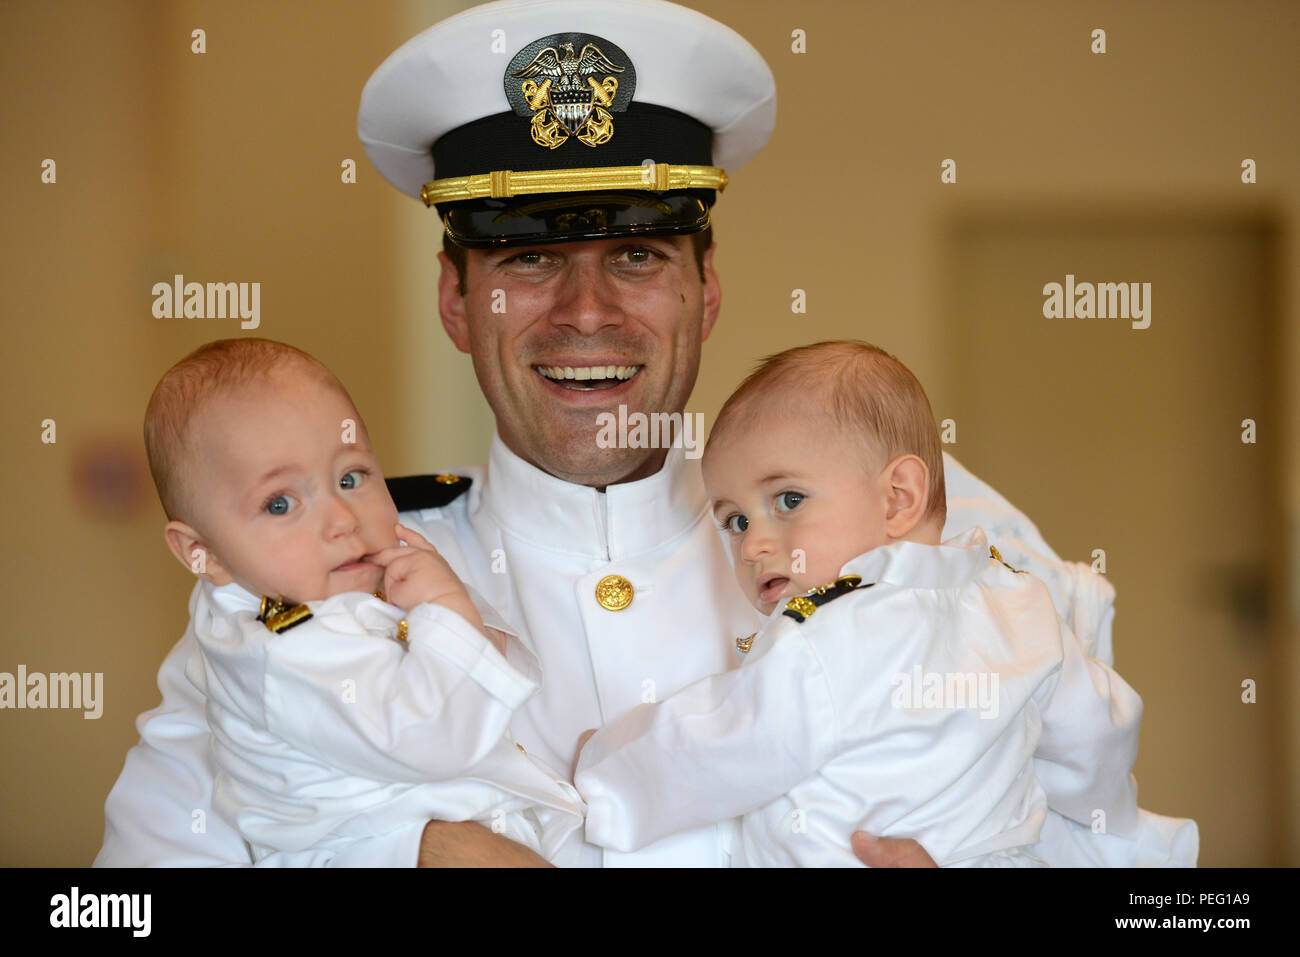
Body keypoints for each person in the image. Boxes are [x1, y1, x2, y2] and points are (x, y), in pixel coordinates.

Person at [96, 0, 1196, 867]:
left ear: (706, 288)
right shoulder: (303, 586)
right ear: (453, 297)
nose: (586, 311)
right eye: (527, 257)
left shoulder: (928, 536)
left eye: (637, 254)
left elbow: (1117, 856)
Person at [574, 341, 1152, 865]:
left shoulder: (836, 628)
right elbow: (1096, 735)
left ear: (899, 497)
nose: (753, 544)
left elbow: (727, 738)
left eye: (789, 499)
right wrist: (1107, 808)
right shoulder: (1019, 600)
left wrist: (606, 770)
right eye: (735, 519)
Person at [142, 337, 584, 864]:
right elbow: (436, 738)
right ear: (202, 553)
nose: (343, 519)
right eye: (280, 504)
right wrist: (446, 609)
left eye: (351, 477)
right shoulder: (282, 647)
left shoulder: (308, 595)